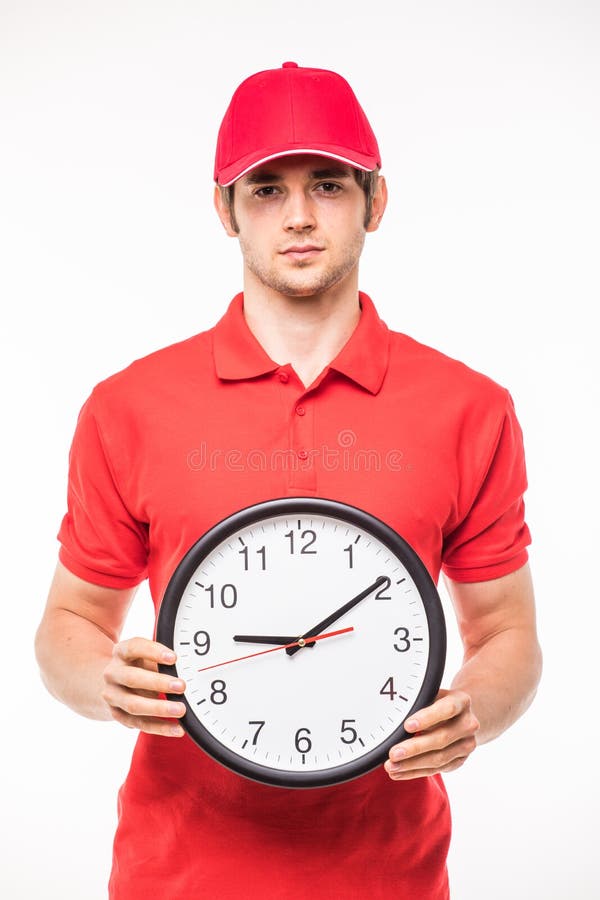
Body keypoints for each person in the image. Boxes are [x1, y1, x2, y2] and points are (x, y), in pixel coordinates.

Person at [35, 62, 542, 899]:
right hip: (176, 874)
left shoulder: (471, 409)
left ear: (375, 202)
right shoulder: (128, 408)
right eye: (265, 189)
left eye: (328, 185)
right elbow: (69, 624)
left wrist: (475, 711)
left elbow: (509, 635)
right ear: (224, 210)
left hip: (390, 876)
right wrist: (103, 682)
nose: (299, 215)